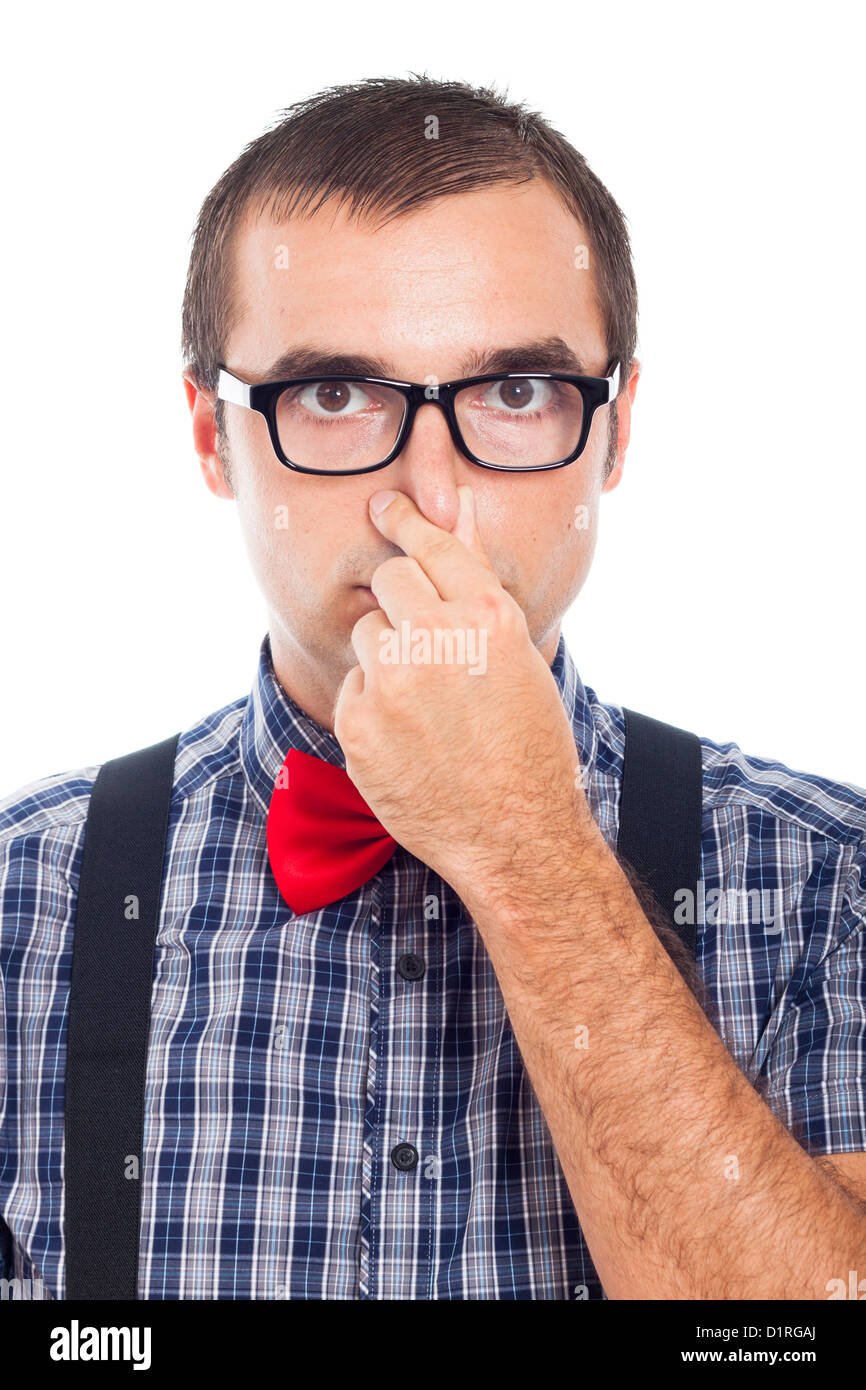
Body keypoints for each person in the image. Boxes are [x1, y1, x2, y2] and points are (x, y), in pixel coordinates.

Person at [1, 74, 864, 1302]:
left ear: (615, 432)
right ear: (210, 434)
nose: (430, 498)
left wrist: (523, 842)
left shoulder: (833, 886)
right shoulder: (18, 908)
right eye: (335, 394)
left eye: (514, 392)